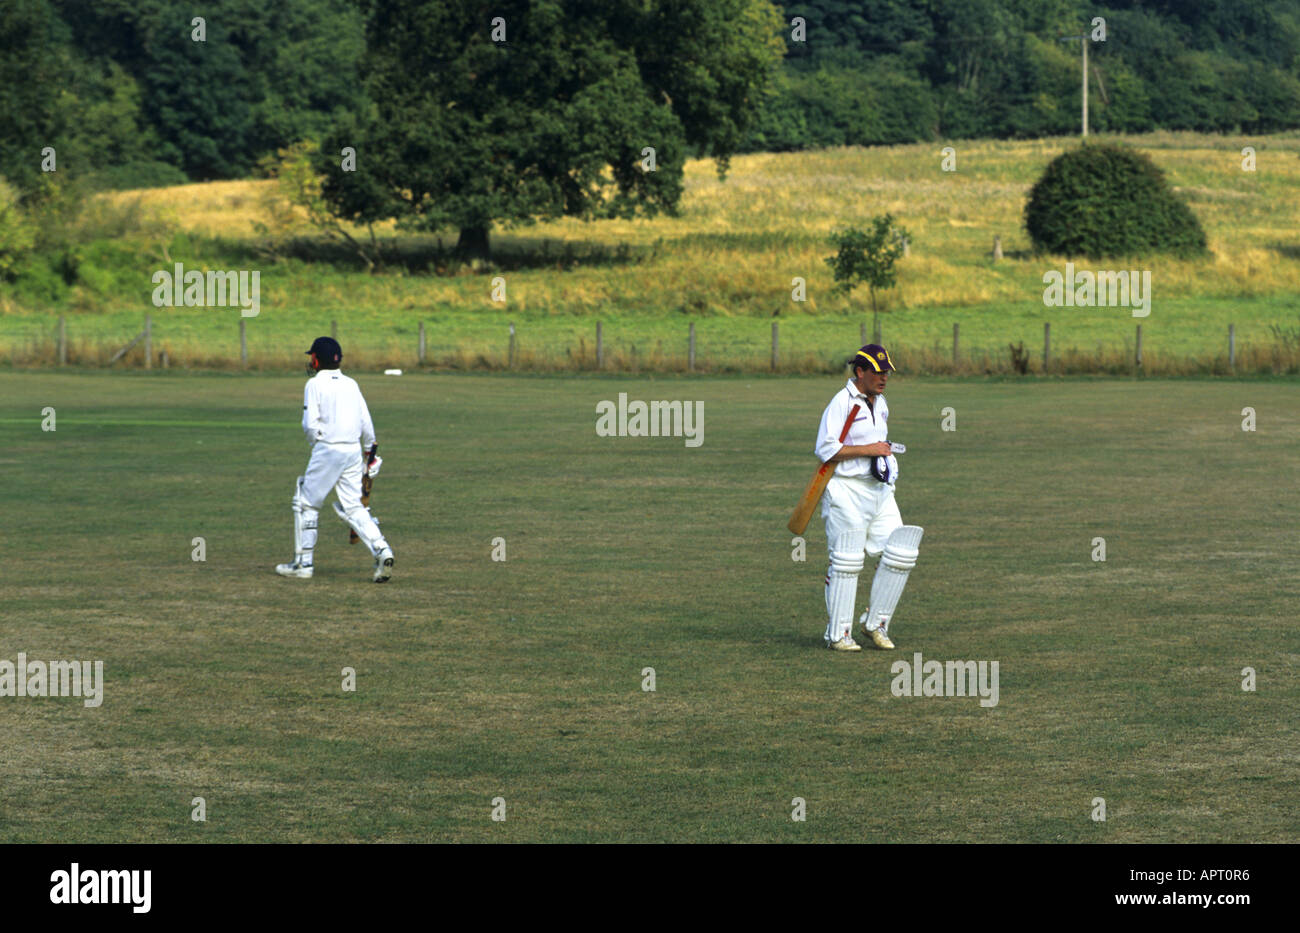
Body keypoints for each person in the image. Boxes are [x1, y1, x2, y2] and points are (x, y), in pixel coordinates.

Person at [814, 344, 923, 651]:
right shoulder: (841, 402)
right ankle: (838, 633)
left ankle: (875, 623)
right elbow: (825, 449)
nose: (883, 377)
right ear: (859, 372)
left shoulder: (882, 402)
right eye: (877, 372)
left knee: (902, 550)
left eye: (886, 372)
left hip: (879, 490)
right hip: (846, 490)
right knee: (847, 560)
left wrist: (883, 453)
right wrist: (870, 450)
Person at [276, 336, 394, 583]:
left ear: (317, 359)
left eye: (312, 357)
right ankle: (382, 550)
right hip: (352, 450)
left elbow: (309, 424)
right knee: (353, 507)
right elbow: (366, 422)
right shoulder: (351, 383)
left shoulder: (314, 385)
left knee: (306, 502)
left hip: (328, 448)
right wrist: (369, 453)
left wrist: (317, 444)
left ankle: (303, 564)